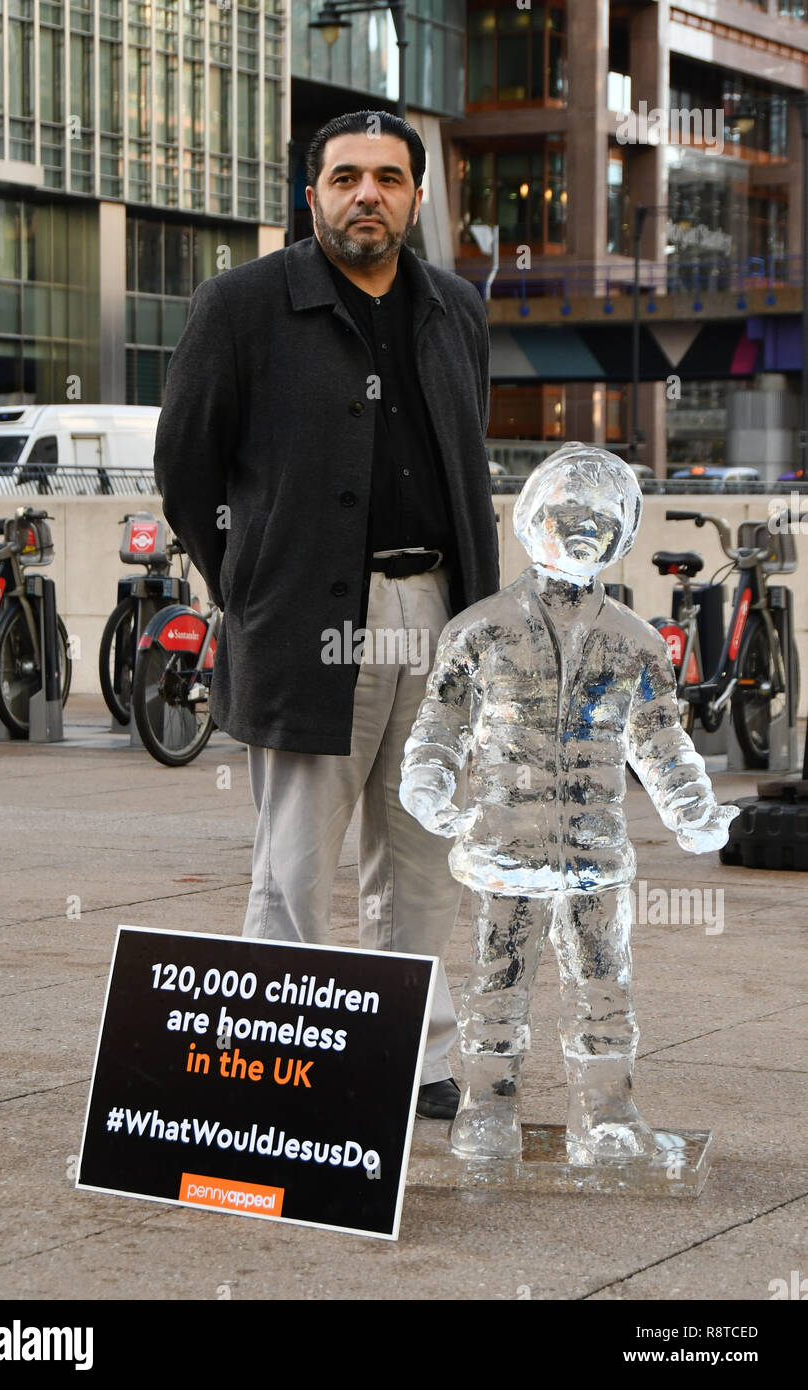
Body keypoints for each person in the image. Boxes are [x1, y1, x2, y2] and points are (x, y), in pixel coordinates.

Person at [153, 110, 500, 1118]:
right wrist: (251, 586)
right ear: (312, 196)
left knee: (423, 854)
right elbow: (186, 469)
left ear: (416, 198)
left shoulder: (452, 310)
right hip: (305, 620)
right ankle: (284, 1053)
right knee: (296, 860)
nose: (367, 195)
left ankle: (415, 1059)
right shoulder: (243, 306)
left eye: (389, 178)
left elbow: (461, 452)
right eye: (345, 177)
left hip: (437, 611)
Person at [400, 442, 738, 1158]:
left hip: (594, 856)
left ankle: (609, 1113)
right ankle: (488, 1107)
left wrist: (693, 812)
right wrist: (425, 782)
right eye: (568, 510)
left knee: (604, 989)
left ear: (625, 531)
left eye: (605, 516)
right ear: (531, 517)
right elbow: (441, 724)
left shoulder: (636, 643)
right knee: (497, 985)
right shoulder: (480, 630)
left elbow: (662, 743)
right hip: (503, 849)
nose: (585, 526)